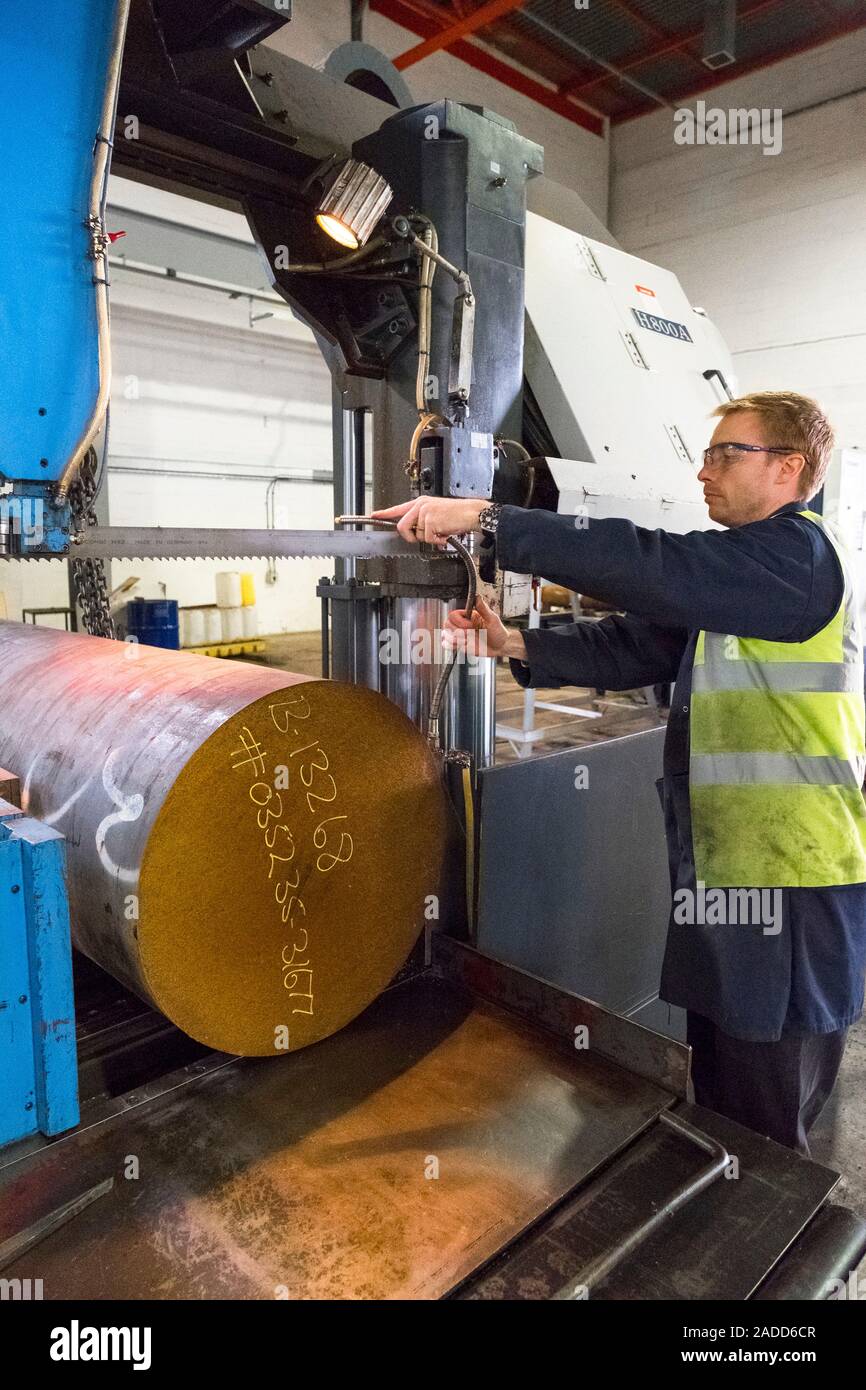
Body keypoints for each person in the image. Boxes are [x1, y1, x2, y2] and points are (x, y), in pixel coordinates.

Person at [373, 392, 866, 1156]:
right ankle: (735, 1217)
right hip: (733, 865)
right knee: (727, 1073)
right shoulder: (743, 578)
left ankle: (774, 1251)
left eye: (724, 454)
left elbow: (649, 562)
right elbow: (643, 644)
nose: (703, 472)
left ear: (788, 467)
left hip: (791, 876)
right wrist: (515, 645)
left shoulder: (794, 558)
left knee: (766, 1094)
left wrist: (487, 518)